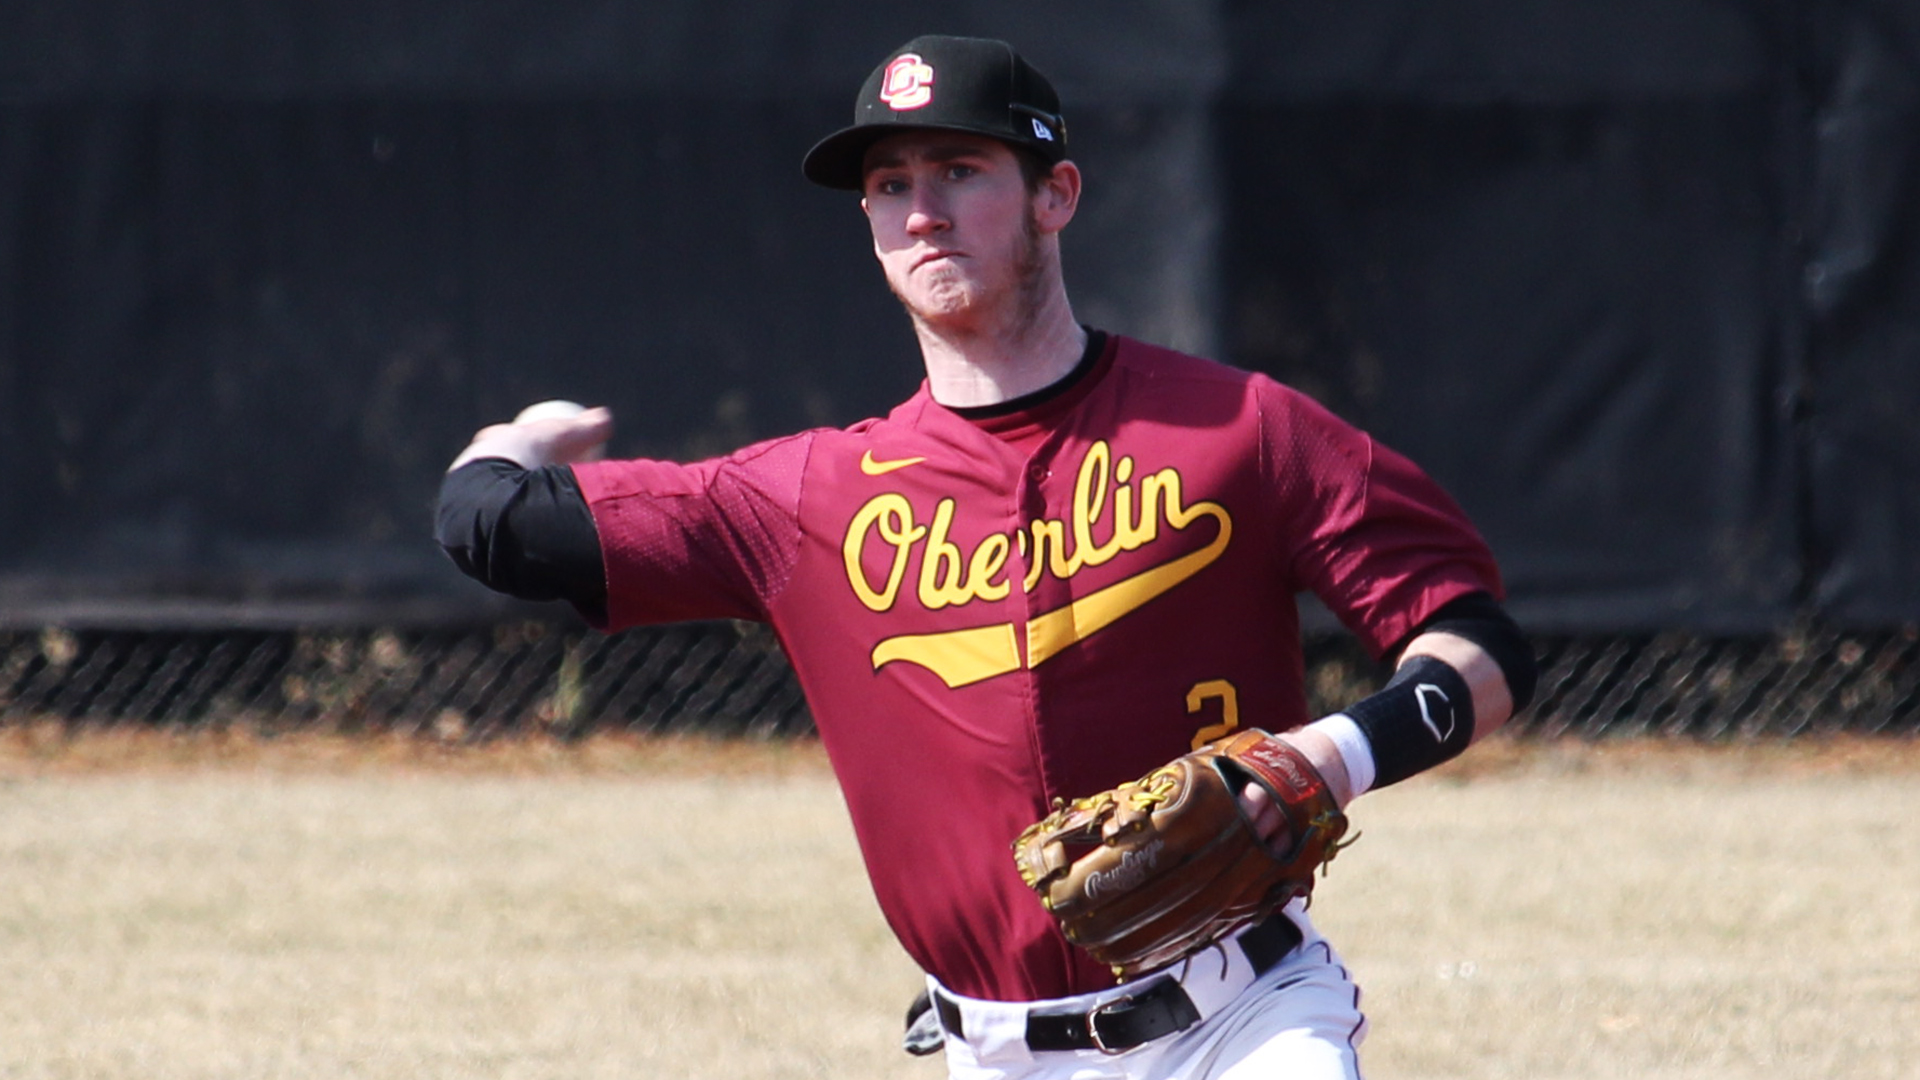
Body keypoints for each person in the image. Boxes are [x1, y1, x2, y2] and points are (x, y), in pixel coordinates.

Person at [435, 34, 1536, 1080]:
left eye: (961, 169)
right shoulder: (806, 499)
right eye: (889, 184)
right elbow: (490, 524)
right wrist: (516, 443)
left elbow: (1479, 648)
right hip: (990, 1048)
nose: (923, 213)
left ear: (1056, 195)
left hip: (1245, 1020)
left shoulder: (1239, 429)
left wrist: (1330, 756)